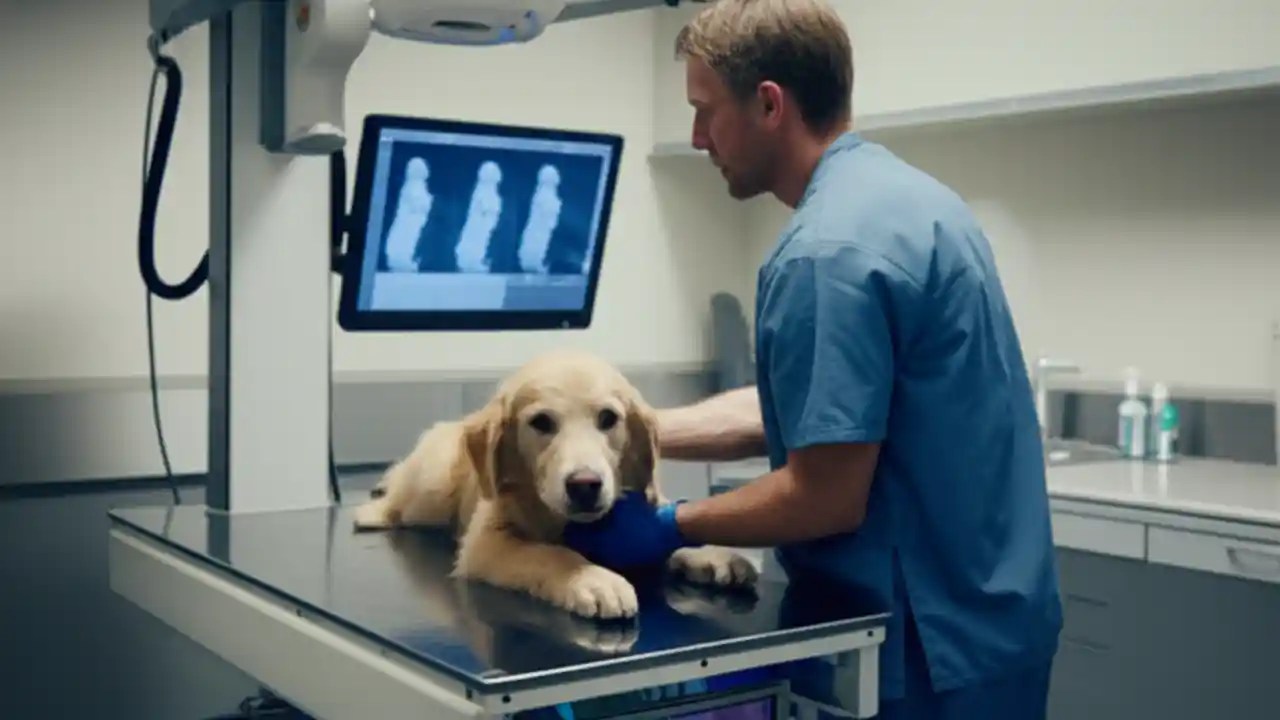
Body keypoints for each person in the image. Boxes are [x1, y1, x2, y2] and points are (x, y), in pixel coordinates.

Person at [561, 0, 1063, 717]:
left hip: (919, 647)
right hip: (995, 623)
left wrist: (672, 523)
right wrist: (619, 433)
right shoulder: (918, 202)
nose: (698, 136)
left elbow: (825, 492)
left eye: (705, 110)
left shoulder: (825, 254)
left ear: (769, 104)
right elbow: (817, 411)